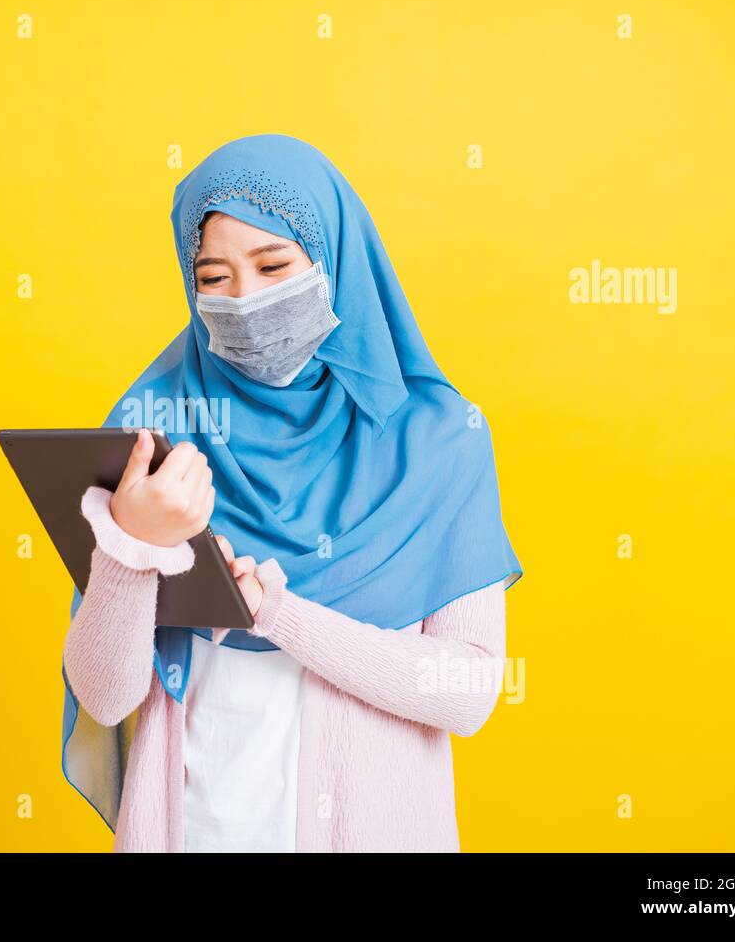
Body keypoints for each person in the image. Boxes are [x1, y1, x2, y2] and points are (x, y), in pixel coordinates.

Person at [60, 133, 523, 852]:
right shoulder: (153, 430)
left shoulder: (437, 438)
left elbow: (465, 691)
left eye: (274, 265)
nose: (244, 300)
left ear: (333, 257)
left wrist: (277, 614)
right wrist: (130, 547)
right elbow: (105, 694)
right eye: (212, 276)